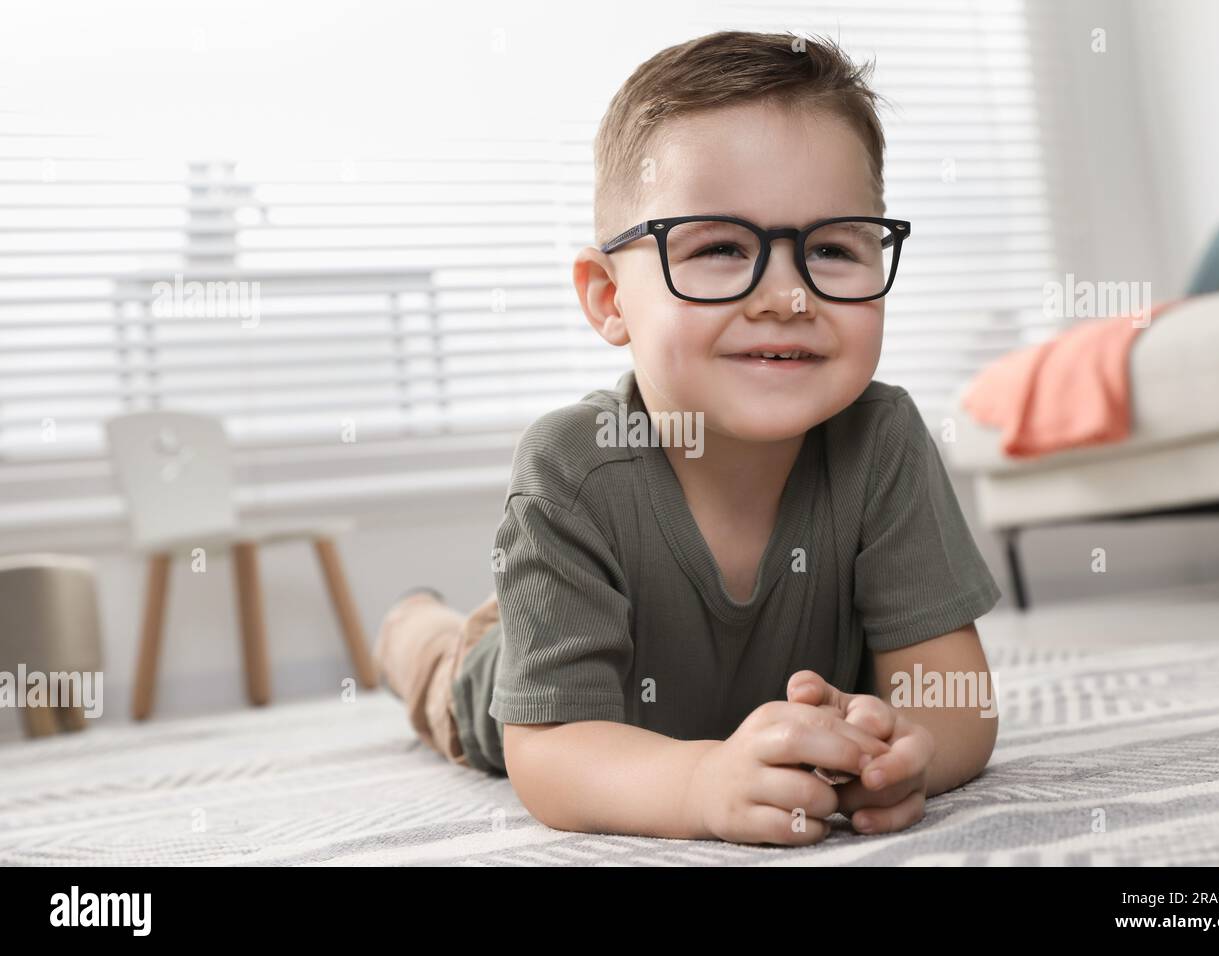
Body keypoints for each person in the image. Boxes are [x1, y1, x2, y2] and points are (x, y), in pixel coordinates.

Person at [374, 30, 1003, 847]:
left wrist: (903, 753)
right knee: (448, 672)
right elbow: (553, 753)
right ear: (608, 298)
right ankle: (409, 627)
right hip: (518, 677)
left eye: (834, 249)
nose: (786, 295)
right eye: (718, 248)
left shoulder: (881, 440)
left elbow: (950, 696)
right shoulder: (571, 468)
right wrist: (702, 783)